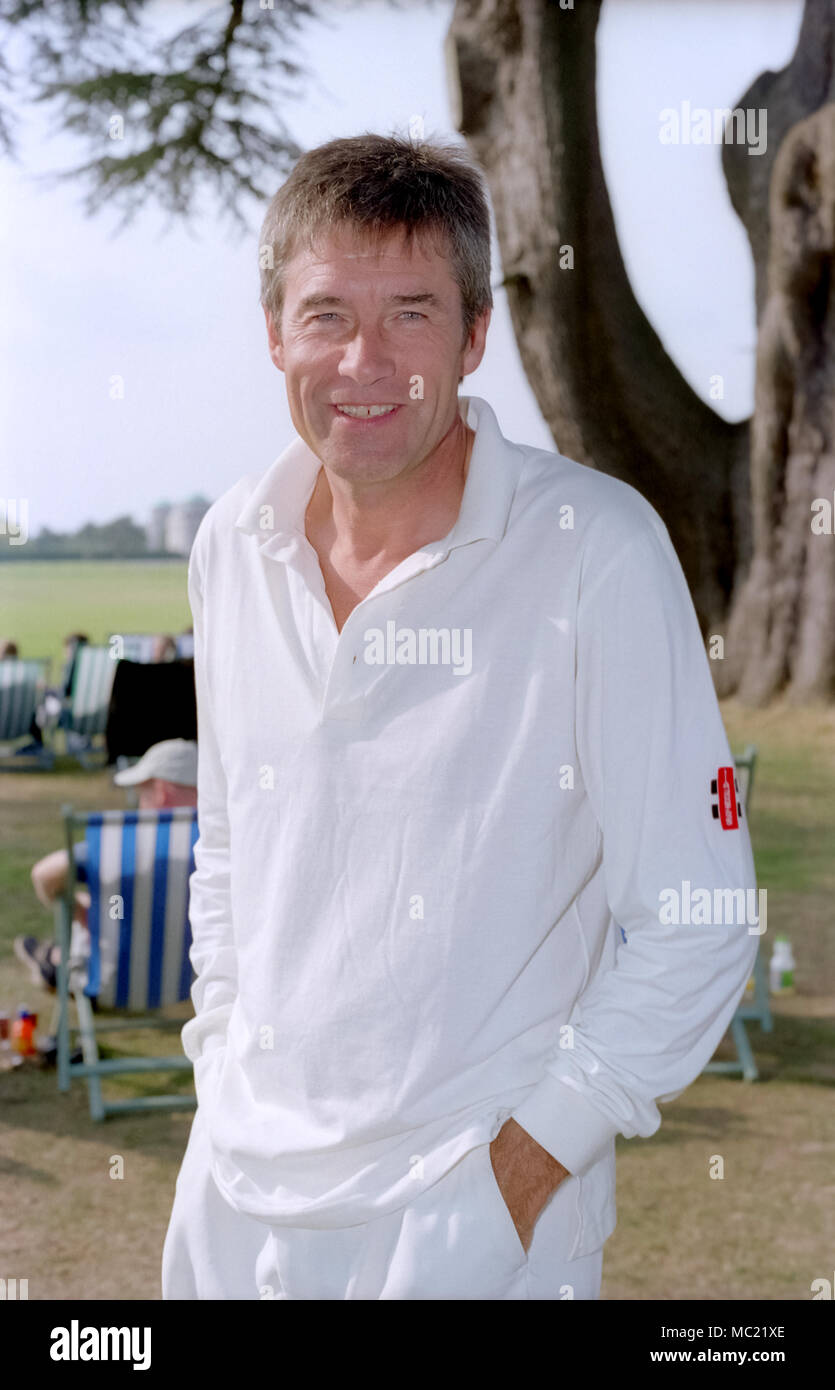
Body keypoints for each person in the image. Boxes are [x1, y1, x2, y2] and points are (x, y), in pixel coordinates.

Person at [161, 133, 759, 1302]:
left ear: (476, 335)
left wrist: (512, 1182)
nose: (363, 359)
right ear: (274, 332)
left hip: (470, 1218)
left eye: (412, 312)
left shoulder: (600, 549)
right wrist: (217, 1064)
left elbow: (700, 917)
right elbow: (231, 848)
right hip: (233, 1202)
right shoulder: (231, 542)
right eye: (326, 311)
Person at [15, 740, 199, 1000]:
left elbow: (44, 874)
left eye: (141, 794)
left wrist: (82, 912)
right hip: (195, 980)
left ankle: (53, 959)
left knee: (107, 906)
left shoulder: (124, 845)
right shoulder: (226, 844)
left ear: (160, 791)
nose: (139, 804)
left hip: (113, 983)